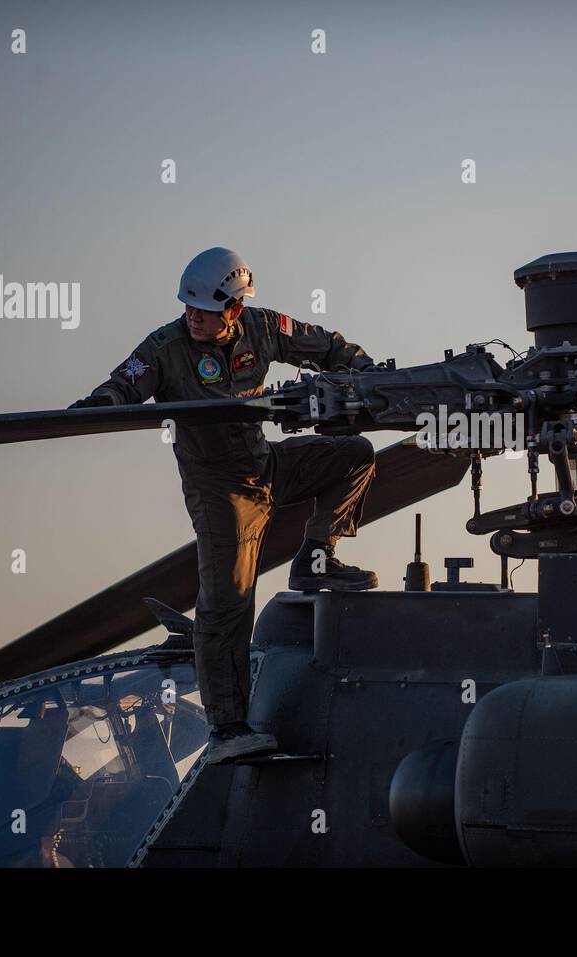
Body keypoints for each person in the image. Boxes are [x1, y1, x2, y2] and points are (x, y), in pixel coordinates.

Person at [71, 247, 378, 762]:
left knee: (356, 454)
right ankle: (228, 730)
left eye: (204, 311)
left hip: (265, 467)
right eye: (187, 307)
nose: (192, 317)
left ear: (234, 308)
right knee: (228, 598)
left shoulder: (263, 327)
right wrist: (93, 410)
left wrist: (363, 375)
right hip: (219, 491)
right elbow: (125, 383)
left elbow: (327, 346)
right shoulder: (165, 346)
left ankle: (316, 556)